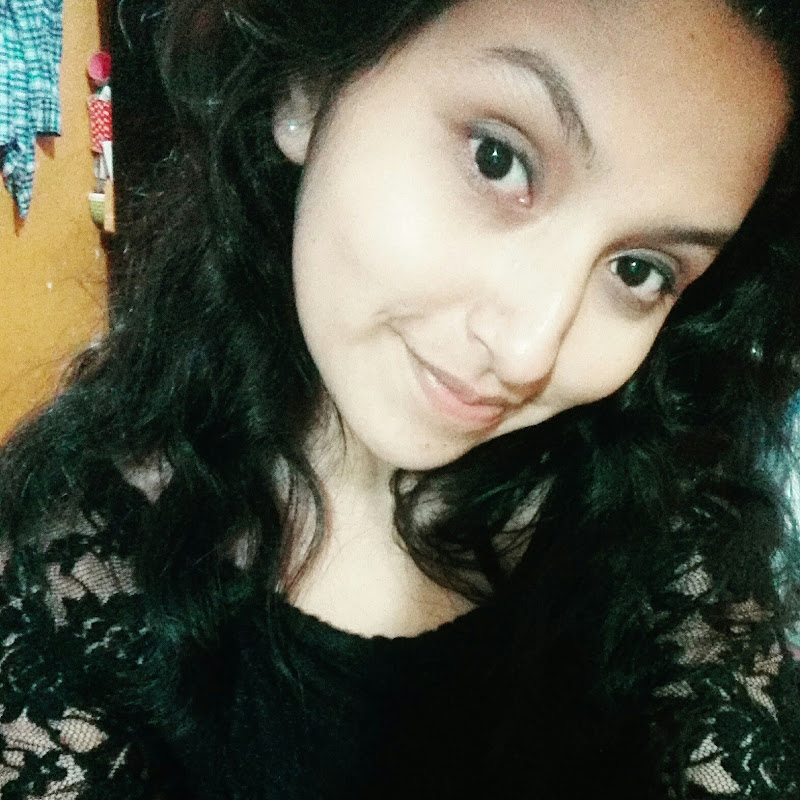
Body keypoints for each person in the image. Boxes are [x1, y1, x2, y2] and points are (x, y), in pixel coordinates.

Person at [2, 0, 800, 796]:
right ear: (307, 86)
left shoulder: (671, 523)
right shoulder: (69, 569)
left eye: (639, 269)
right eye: (498, 159)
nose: (529, 352)